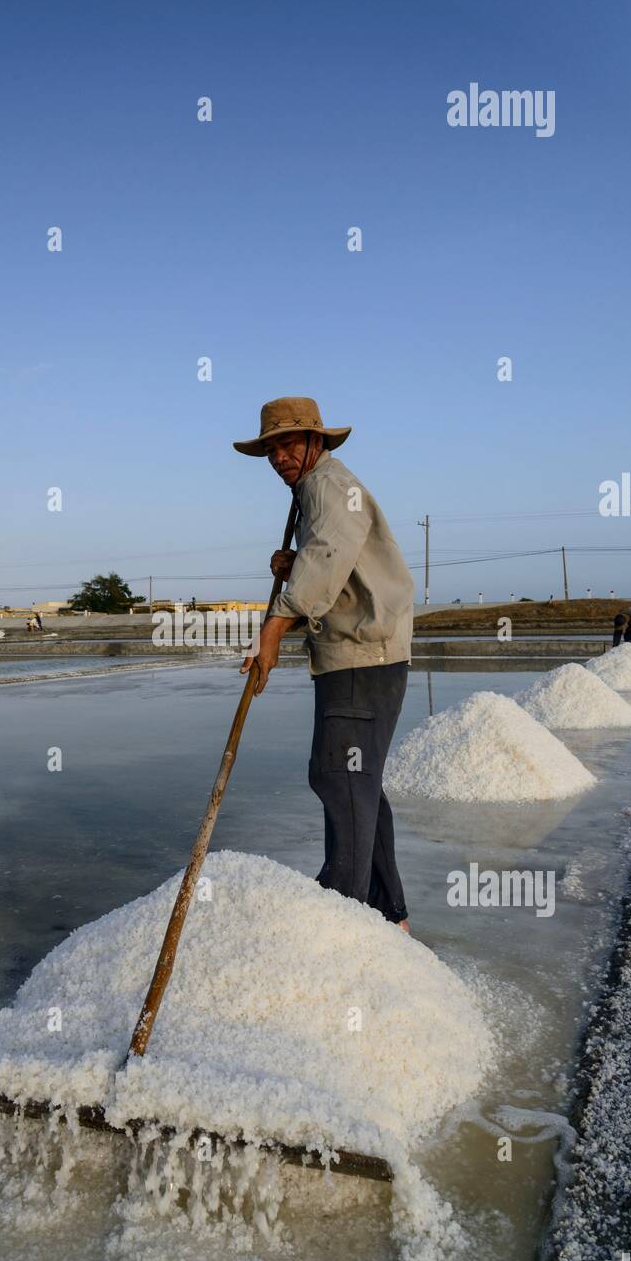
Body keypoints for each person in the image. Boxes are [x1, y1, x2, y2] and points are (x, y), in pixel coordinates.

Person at [235, 396, 415, 931]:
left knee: (339, 778)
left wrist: (273, 628)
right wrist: (295, 562)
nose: (279, 456)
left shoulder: (329, 486)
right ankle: (390, 913)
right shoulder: (318, 490)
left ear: (317, 442)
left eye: (290, 443)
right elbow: (332, 557)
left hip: (362, 656)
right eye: (271, 447)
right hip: (358, 654)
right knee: (359, 783)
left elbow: (327, 562)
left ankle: (342, 915)